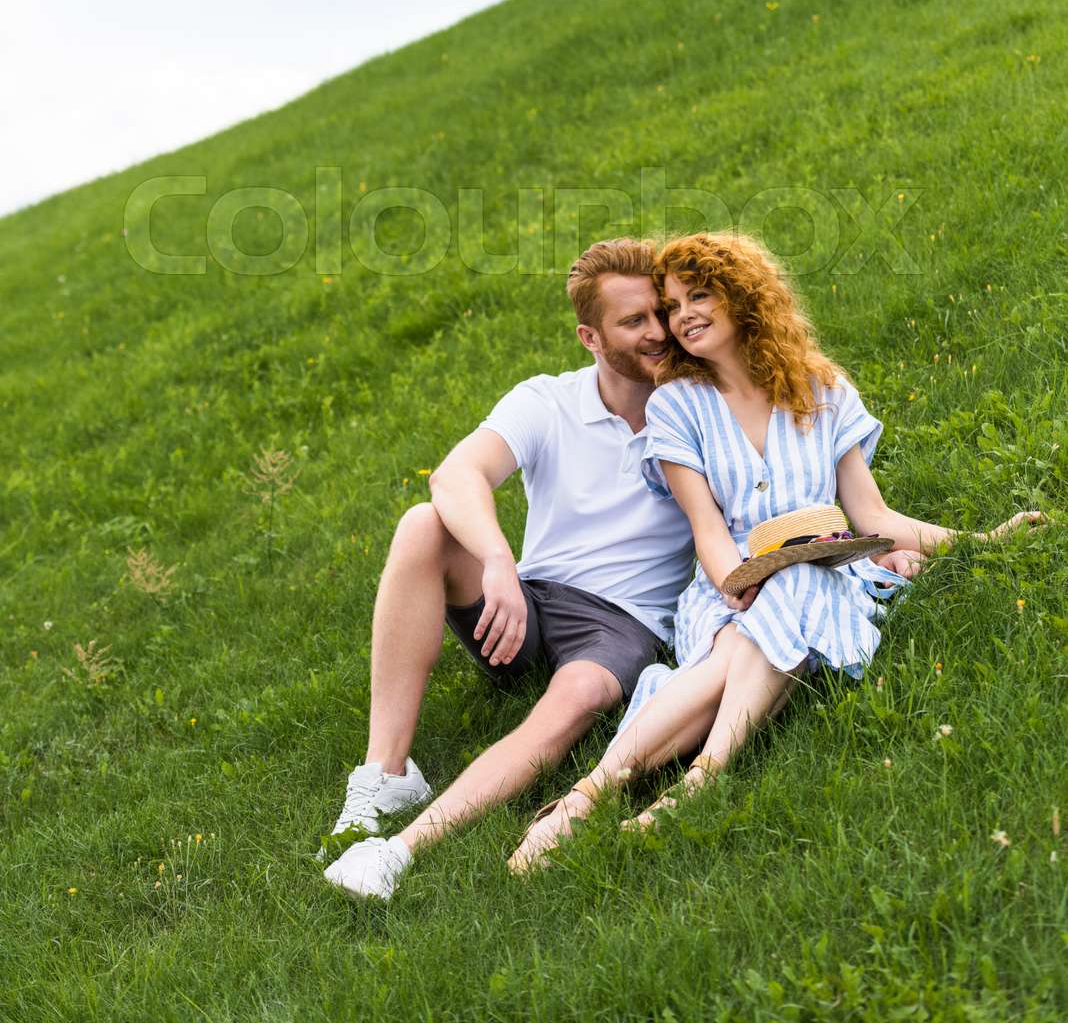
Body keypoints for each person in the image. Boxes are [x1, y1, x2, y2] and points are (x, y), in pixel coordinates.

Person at [508, 231, 1045, 870]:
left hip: (823, 571)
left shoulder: (822, 391)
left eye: (698, 295)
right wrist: (734, 580)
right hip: (725, 581)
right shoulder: (677, 405)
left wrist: (985, 542)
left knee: (793, 586)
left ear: (743, 298)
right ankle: (643, 792)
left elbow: (870, 514)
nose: (683, 317)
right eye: (673, 307)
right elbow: (706, 529)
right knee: (750, 625)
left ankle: (603, 795)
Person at [322, 237, 699, 901]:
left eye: (660, 313)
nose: (658, 332)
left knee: (579, 695)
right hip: (527, 602)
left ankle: (405, 847)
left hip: (622, 626)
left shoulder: (699, 408)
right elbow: (458, 472)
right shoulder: (549, 400)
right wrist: (499, 560)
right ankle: (387, 771)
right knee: (422, 524)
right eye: (633, 321)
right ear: (590, 336)